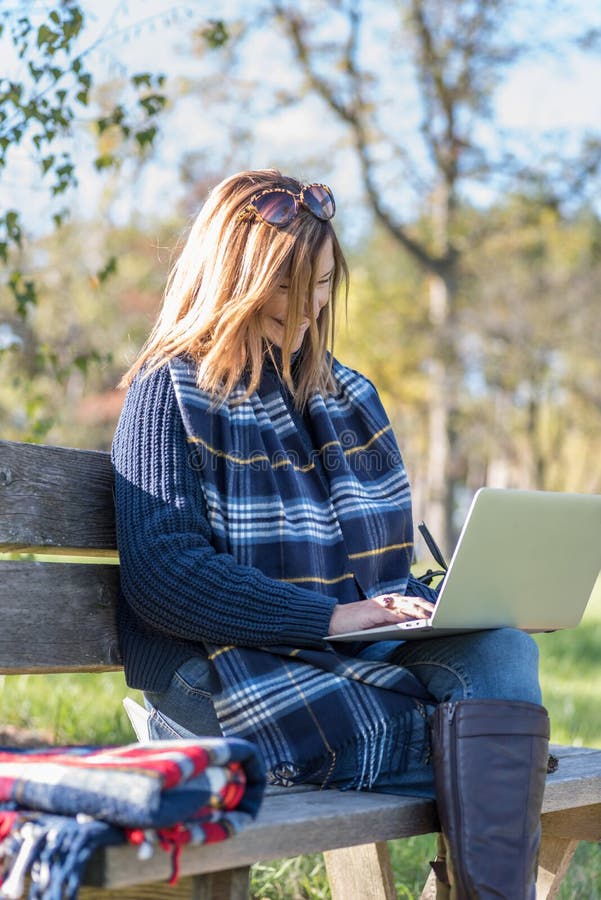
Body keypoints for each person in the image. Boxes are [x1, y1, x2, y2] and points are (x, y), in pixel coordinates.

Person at [112, 169, 551, 898]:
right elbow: (165, 573)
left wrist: (449, 602)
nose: (305, 306)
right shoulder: (172, 388)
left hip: (346, 657)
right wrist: (328, 616)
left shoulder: (351, 396)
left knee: (500, 658)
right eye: (281, 286)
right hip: (220, 670)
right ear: (232, 278)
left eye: (317, 282)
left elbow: (381, 568)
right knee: (497, 748)